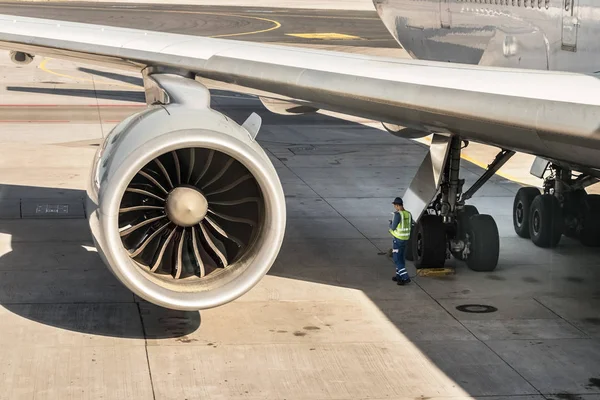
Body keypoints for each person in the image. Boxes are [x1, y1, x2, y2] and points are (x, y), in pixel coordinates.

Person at [388, 197, 412, 285]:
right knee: (401, 258)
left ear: (397, 205)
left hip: (397, 241)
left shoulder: (398, 215)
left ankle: (405, 277)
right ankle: (399, 276)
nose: (395, 207)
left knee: (396, 259)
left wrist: (390, 225)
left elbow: (393, 227)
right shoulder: (408, 214)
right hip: (405, 240)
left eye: (395, 205)